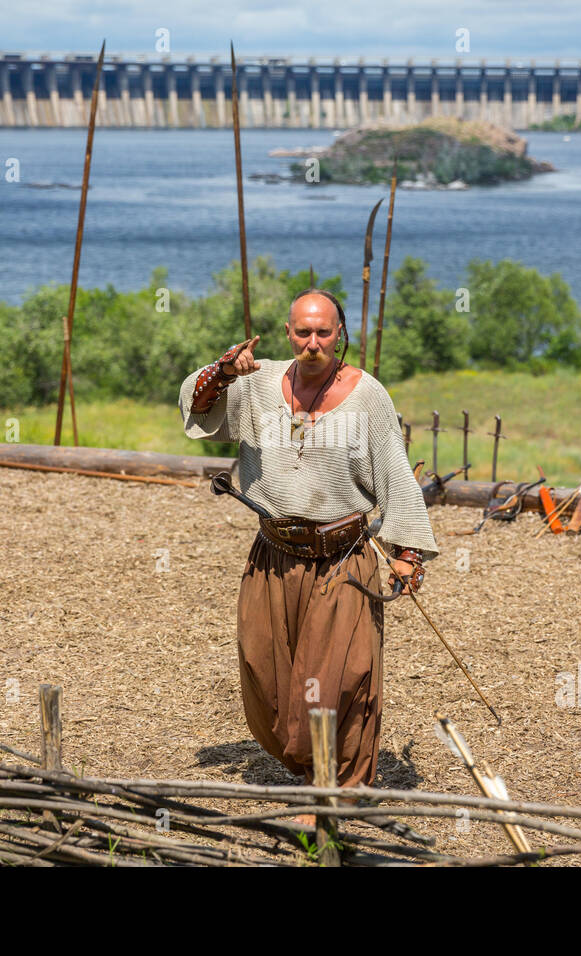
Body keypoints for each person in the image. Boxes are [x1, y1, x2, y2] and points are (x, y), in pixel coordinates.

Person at [179, 289, 438, 792]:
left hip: (341, 560)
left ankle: (335, 791)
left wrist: (407, 554)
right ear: (287, 333)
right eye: (303, 332)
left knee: (338, 682)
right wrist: (224, 372)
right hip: (272, 557)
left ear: (340, 334)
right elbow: (197, 406)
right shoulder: (256, 385)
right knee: (263, 670)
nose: (313, 343)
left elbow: (395, 475)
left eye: (323, 332)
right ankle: (307, 768)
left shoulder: (368, 396)